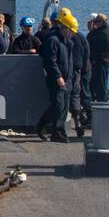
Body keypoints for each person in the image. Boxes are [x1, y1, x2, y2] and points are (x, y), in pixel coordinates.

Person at [36, 13, 73, 141]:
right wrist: (57, 76)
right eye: (70, 31)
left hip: (67, 79)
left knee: (64, 108)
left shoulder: (66, 42)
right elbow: (50, 61)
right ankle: (42, 124)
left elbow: (68, 61)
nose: (71, 34)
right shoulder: (53, 40)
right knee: (57, 106)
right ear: (64, 28)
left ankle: (58, 132)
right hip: (56, 80)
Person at [61, 9, 91, 136]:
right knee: (76, 95)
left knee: (65, 95)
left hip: (68, 69)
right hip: (78, 69)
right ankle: (78, 122)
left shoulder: (65, 38)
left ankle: (62, 124)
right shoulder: (81, 37)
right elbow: (87, 53)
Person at [87, 13, 109, 102]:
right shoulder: (105, 30)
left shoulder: (103, 33)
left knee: (101, 87)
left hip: (102, 63)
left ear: (102, 22)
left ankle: (103, 105)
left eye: (96, 22)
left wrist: (91, 30)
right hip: (104, 62)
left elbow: (91, 43)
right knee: (100, 85)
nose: (94, 23)